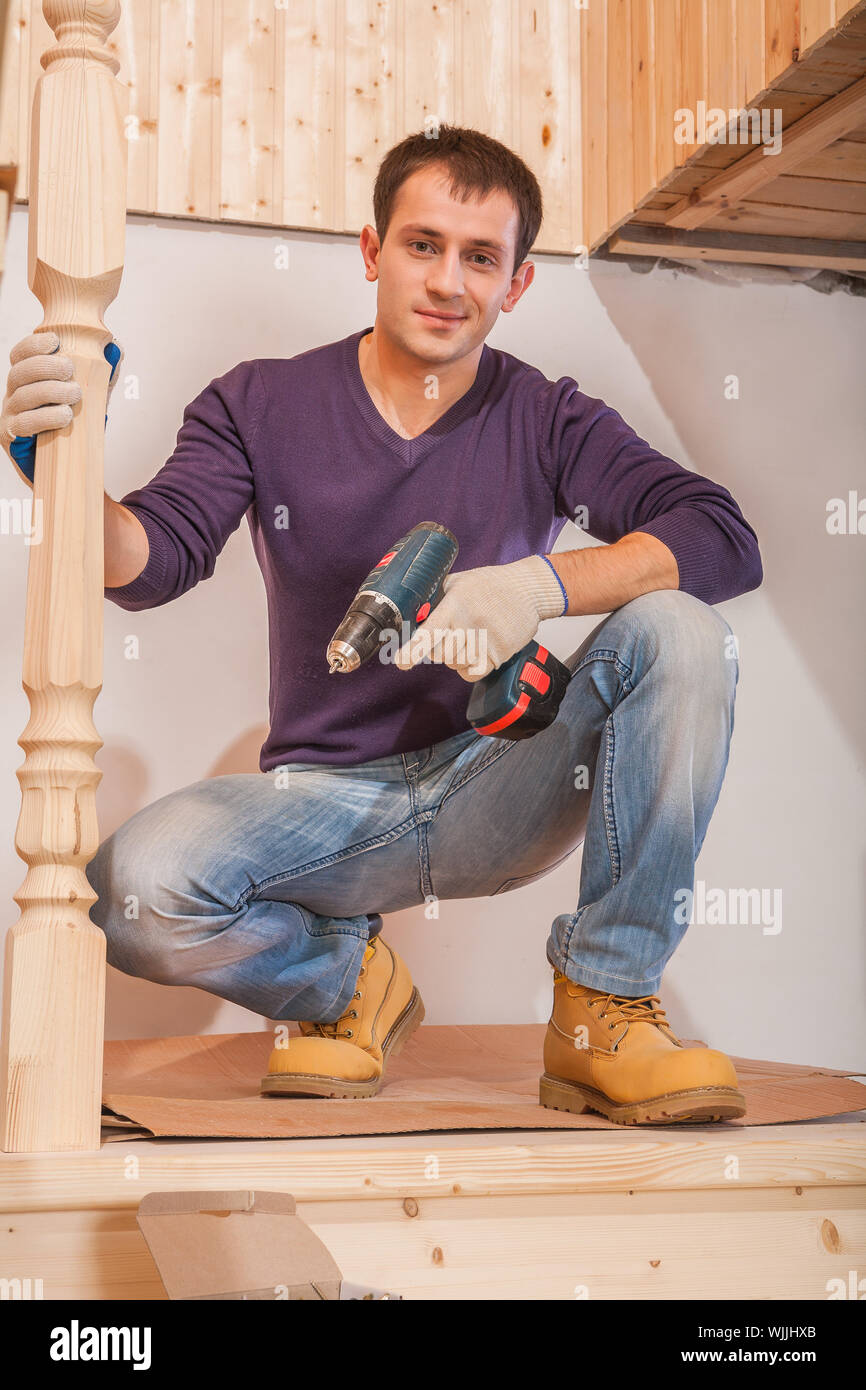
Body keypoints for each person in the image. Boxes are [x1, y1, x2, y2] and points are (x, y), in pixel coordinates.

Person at [0, 125, 762, 1125]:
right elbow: (148, 562)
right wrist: (52, 466)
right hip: (322, 805)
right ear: (371, 252)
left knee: (680, 630)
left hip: (498, 774)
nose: (449, 280)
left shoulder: (544, 416)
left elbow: (721, 540)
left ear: (516, 283)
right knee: (130, 892)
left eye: (479, 257)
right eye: (422, 244)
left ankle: (601, 1012)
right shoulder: (257, 402)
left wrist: (536, 585)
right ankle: (348, 984)